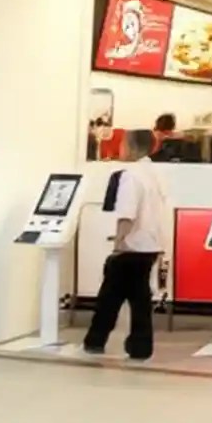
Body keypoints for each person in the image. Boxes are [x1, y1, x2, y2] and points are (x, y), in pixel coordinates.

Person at [84, 130, 170, 360]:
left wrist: (119, 242)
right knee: (140, 298)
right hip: (150, 244)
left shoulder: (130, 175)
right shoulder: (153, 173)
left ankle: (95, 340)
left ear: (130, 147)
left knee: (109, 297)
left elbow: (127, 213)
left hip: (132, 245)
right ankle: (140, 346)